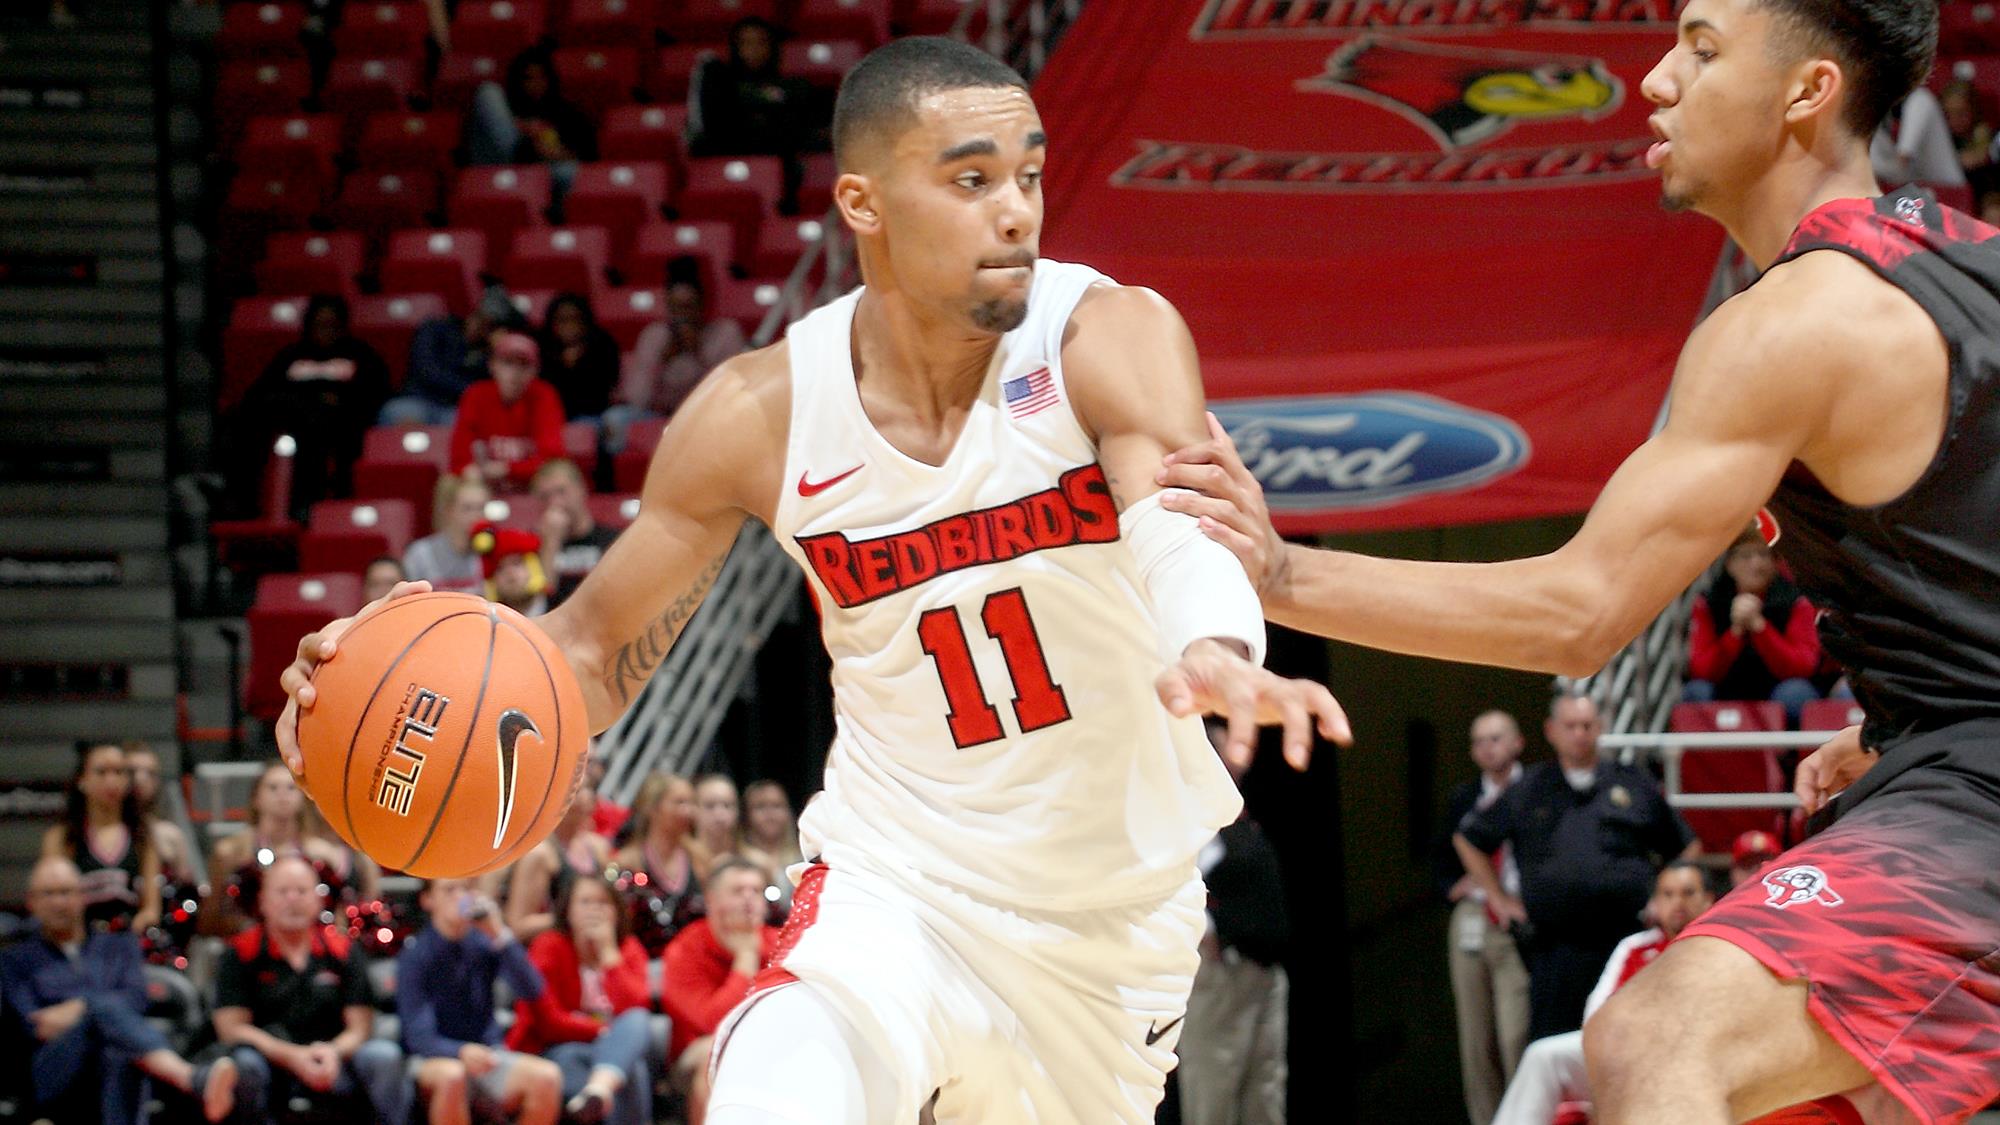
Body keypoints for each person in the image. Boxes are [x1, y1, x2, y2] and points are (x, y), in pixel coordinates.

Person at [275, 34, 1343, 1123]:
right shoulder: (760, 415)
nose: (1015, 211)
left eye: (1026, 174)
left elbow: (1175, 515)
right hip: (896, 890)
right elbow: (587, 658)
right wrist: (377, 690)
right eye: (970, 180)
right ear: (862, 204)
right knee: (780, 1069)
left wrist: (1216, 639)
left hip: (1108, 939)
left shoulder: (1106, 334)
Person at [1156, 0, 2000, 1115]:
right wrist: (1907, 716)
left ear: (1806, 93)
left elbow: (1580, 612)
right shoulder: (1968, 260)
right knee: (1875, 1088)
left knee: (1660, 1038)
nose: (1653, 80)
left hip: (1974, 791)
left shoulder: (1790, 324)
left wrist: (1281, 573)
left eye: (1700, 51)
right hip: (1950, 760)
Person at [1452, 696, 1697, 1042]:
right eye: (1571, 726)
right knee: (1554, 1049)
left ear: (1600, 728)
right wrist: (1499, 898)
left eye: (1587, 725)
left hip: (1624, 939)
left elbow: (1685, 846)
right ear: (1551, 731)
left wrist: (1665, 898)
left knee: (1633, 1042)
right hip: (1556, 949)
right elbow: (1469, 840)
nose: (1580, 734)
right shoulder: (1530, 788)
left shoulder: (1631, 782)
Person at [1, 856, 238, 1124]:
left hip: (117, 1058)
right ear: (32, 902)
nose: (59, 902)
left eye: (66, 892)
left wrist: (81, 1010)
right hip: (51, 1071)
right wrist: (93, 1009)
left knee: (117, 1050)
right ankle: (189, 1077)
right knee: (108, 1014)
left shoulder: (120, 946)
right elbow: (37, 1026)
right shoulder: (14, 961)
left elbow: (137, 1000)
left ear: (81, 897)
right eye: (49, 894)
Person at [1490, 861, 1716, 1125]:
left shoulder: (1718, 949)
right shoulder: (1634, 947)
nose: (1678, 902)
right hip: (1622, 1054)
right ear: (1656, 901)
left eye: (1688, 893)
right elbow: (1595, 1013)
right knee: (1544, 1055)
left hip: (1686, 1057)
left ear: (1709, 900)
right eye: (1667, 894)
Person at [214, 855, 410, 1125]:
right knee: (243, 1064)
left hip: (332, 1061)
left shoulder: (343, 950)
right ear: (263, 900)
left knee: (384, 1056)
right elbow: (231, 1028)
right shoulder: (239, 952)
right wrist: (292, 1056)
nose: (292, 899)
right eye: (283, 891)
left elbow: (360, 1027)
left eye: (302, 891)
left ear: (318, 900)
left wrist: (332, 1052)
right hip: (270, 1061)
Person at [1177, 721, 1289, 1125]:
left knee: (1265, 1088)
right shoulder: (1186, 810)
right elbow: (1174, 876)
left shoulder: (1236, 810)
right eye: (1227, 751)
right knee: (1214, 1091)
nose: (1238, 760)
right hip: (1223, 973)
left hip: (1263, 969)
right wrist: (1205, 932)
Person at [398, 877, 564, 1125]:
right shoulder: (416, 954)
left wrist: (500, 934)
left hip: (487, 1055)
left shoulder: (483, 942)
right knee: (453, 1076)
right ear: (427, 899)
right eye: (449, 889)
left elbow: (532, 990)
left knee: (547, 1077)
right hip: (433, 1058)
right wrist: (459, 1051)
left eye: (466, 888)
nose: (459, 896)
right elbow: (418, 1037)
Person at [1436, 710, 1531, 1125]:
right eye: (1478, 741)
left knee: (1517, 1034)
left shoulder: (1538, 789)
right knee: (1476, 1038)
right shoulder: (1463, 797)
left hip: (1520, 918)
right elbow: (1440, 851)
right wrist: (1451, 886)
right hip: (1473, 917)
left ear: (1517, 742)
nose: (1486, 748)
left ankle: (1527, 1116)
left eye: (1495, 738)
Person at [507, 874, 653, 1125]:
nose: (594, 910)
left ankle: (598, 1090)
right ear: (568, 911)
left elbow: (636, 1009)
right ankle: (600, 1089)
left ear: (617, 911)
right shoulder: (549, 945)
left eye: (603, 903)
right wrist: (607, 1030)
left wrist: (609, 954)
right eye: (585, 902)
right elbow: (548, 1021)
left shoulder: (628, 948)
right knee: (606, 1065)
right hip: (555, 1048)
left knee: (636, 1040)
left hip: (612, 1050)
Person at [229, 294, 391, 519]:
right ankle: (244, 503)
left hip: (341, 427)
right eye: (319, 324)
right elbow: (260, 395)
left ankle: (320, 507)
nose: (325, 330)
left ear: (342, 326)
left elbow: (376, 395)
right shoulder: (291, 356)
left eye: (331, 325)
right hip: (293, 423)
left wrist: (338, 403)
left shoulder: (360, 355)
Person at [660, 857, 781, 1125]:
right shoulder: (685, 949)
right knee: (719, 1049)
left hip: (768, 1043)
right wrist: (745, 960)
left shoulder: (782, 943)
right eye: (738, 891)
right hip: (696, 1053)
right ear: (712, 900)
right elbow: (711, 1022)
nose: (749, 899)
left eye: (756, 891)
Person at [205, 761, 375, 936]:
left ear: (303, 797)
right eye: (273, 788)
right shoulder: (230, 852)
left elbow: (342, 914)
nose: (282, 794)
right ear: (256, 798)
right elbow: (211, 914)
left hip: (312, 946)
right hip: (249, 946)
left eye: (291, 788)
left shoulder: (324, 855)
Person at [606, 263, 748, 454]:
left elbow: (730, 392)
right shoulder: (655, 335)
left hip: (705, 414)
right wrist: (662, 360)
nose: (682, 316)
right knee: (614, 418)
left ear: (702, 305)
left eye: (688, 307)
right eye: (675, 308)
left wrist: (699, 355)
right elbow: (637, 399)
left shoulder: (725, 333)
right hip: (659, 414)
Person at [1684, 532, 1823, 723]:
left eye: (1763, 555)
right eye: (1746, 556)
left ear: (1775, 563)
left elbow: (1804, 665)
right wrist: (1735, 632)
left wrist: (1760, 628)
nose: (1756, 564)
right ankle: (1710, 753)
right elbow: (1701, 669)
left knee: (1797, 692)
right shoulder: (1709, 602)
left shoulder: (1796, 601)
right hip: (1727, 685)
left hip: (1777, 686)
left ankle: (1787, 752)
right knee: (1697, 692)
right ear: (1729, 563)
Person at [692, 17, 819, 212]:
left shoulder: (796, 88)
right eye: (745, 43)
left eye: (760, 42)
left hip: (779, 181)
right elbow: (712, 131)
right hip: (724, 174)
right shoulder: (718, 84)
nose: (752, 50)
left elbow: (798, 132)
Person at [42, 739, 160, 936]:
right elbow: (53, 904)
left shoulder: (143, 835)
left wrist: (132, 931)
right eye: (101, 772)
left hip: (128, 943)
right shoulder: (62, 837)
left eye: (119, 772)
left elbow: (151, 909)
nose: (111, 781)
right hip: (79, 943)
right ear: (82, 780)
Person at [466, 46, 598, 200]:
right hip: (499, 164)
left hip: (539, 170)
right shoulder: (508, 107)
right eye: (529, 78)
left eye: (541, 77)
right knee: (488, 91)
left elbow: (587, 157)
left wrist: (551, 153)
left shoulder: (566, 111)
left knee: (569, 172)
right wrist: (521, 126)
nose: (536, 84)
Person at [380, 287, 519, 427]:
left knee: (472, 425)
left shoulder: (490, 353)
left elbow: (498, 389)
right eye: (479, 317)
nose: (478, 325)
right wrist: (469, 389)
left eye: (489, 325)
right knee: (405, 419)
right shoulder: (436, 328)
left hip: (457, 408)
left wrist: (499, 351)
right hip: (418, 398)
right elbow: (427, 371)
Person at [450, 328, 567, 491]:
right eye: (508, 363)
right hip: (483, 487)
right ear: (493, 365)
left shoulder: (544, 395)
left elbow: (551, 461)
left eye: (524, 365)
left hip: (533, 489)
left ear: (535, 371)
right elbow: (459, 460)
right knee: (451, 483)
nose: (515, 373)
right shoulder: (476, 395)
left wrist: (506, 469)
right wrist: (475, 474)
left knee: (559, 476)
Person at [504, 776, 614, 941]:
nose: (587, 796)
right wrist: (569, 916)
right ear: (554, 797)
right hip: (549, 951)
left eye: (589, 789)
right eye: (577, 790)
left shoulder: (598, 847)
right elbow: (518, 925)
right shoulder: (540, 854)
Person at [610, 771, 705, 956]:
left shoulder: (700, 859)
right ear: (652, 808)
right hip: (645, 963)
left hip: (691, 961)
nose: (688, 811)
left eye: (691, 803)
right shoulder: (627, 862)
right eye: (679, 802)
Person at [531, 457, 622, 609]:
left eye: (561, 492)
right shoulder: (533, 547)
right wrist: (551, 544)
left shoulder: (614, 540)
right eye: (545, 497)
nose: (555, 502)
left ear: (581, 489)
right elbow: (539, 604)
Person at [539, 292, 622, 423]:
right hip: (550, 417)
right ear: (552, 323)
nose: (570, 327)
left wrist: (578, 365)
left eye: (575, 319)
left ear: (586, 322)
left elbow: (604, 391)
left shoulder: (603, 345)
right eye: (563, 320)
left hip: (594, 417)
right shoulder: (541, 348)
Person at [402, 471, 490, 594]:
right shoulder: (420, 554)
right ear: (448, 510)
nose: (476, 516)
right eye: (467, 508)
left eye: (481, 508)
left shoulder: (489, 552)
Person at [122, 740, 195, 888]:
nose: (140, 779)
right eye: (131, 771)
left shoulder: (171, 835)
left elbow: (184, 889)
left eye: (150, 773)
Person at [1871, 85, 1964, 187]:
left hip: (1950, 192)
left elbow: (1901, 164)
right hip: (1920, 191)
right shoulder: (1877, 110)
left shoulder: (1920, 100)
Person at [736, 779, 803, 914]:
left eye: (777, 806)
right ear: (746, 815)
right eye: (760, 806)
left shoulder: (803, 858)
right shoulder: (737, 860)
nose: (770, 814)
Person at [472, 520, 549, 616]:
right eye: (500, 568)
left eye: (516, 563)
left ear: (534, 568)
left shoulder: (559, 607)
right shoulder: (483, 619)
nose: (509, 572)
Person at [1940, 79, 1994, 195]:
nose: (1955, 120)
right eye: (1948, 114)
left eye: (1961, 113)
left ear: (1974, 110)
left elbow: (1981, 157)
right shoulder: (1943, 138)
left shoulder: (1986, 134)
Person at [687, 772, 741, 881]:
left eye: (727, 805)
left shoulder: (752, 860)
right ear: (694, 808)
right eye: (710, 806)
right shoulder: (681, 859)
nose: (720, 814)